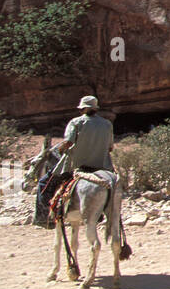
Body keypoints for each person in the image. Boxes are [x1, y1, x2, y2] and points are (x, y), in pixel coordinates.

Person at [34, 96, 114, 226]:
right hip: (102, 167)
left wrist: (60, 150)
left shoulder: (76, 122)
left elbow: (68, 142)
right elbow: (110, 148)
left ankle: (45, 219)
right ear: (95, 109)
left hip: (76, 166)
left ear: (83, 109)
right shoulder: (107, 124)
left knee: (44, 183)